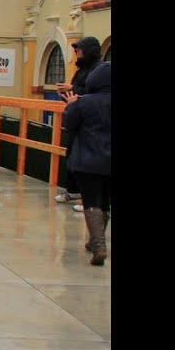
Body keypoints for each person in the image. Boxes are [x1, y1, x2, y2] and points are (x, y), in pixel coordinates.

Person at [62, 62, 110, 265]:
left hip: (88, 159)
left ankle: (99, 244)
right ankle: (94, 241)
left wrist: (71, 105)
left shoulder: (85, 102)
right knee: (105, 201)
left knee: (90, 200)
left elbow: (70, 125)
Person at [54, 36, 103, 210]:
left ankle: (90, 200)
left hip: (93, 122)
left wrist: (72, 89)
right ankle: (74, 190)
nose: (77, 54)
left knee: (92, 161)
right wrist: (66, 94)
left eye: (80, 51)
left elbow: (94, 93)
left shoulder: (99, 70)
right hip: (78, 119)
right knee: (73, 156)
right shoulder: (81, 70)